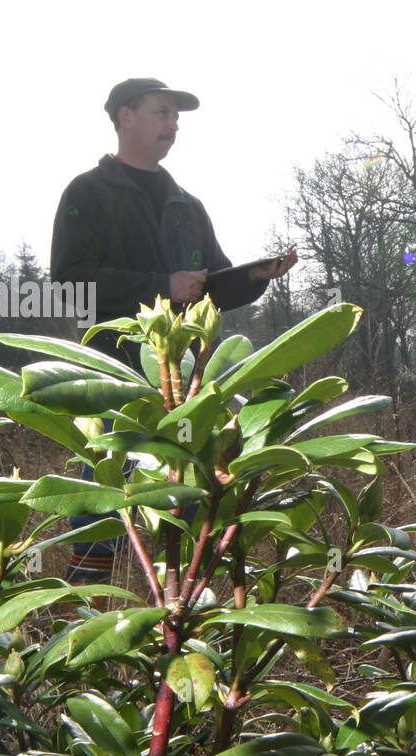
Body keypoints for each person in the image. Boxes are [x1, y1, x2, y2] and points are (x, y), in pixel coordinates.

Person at [51, 78, 296, 584]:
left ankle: (174, 607)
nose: (173, 124)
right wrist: (162, 284)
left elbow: (211, 287)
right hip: (115, 370)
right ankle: (87, 609)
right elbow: (69, 281)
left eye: (176, 116)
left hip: (185, 377)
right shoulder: (86, 192)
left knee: (184, 485)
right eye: (162, 112)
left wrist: (252, 278)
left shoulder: (188, 205)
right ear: (125, 117)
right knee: (108, 484)